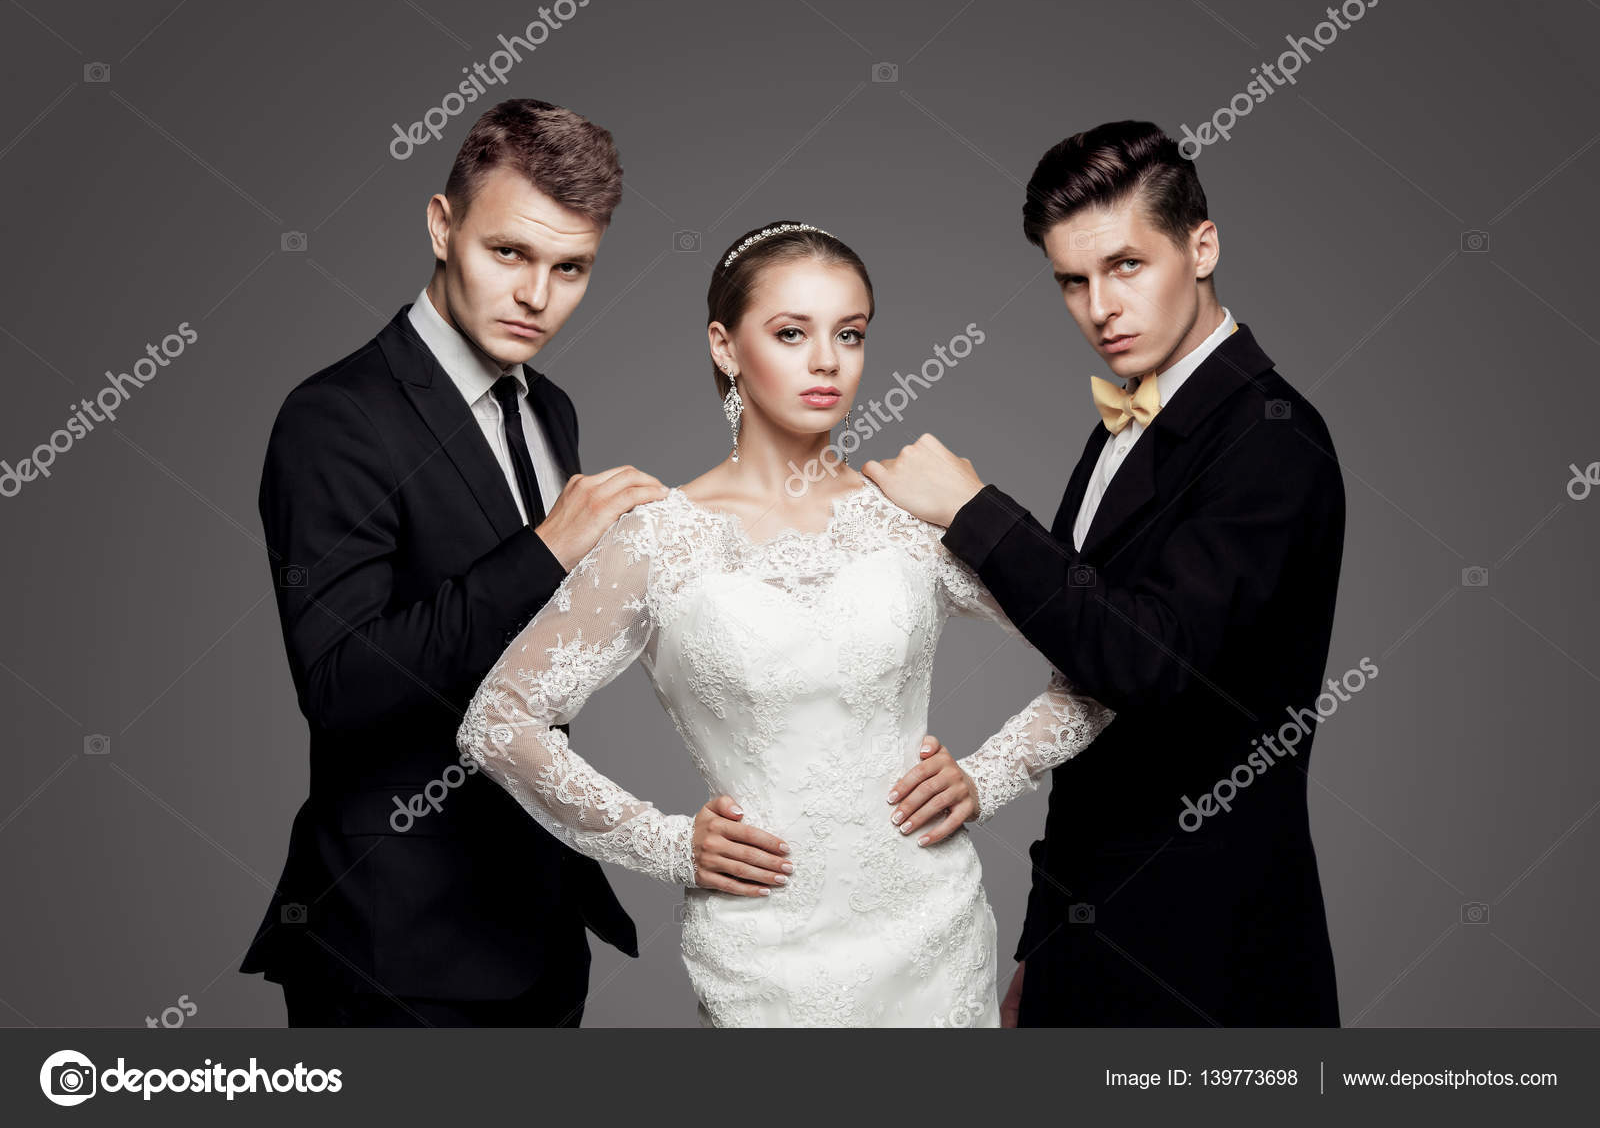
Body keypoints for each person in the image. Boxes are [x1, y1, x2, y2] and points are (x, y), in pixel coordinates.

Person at [454, 220, 1116, 1027]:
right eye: (792, 332)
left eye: (851, 333)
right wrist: (666, 842)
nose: (828, 360)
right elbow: (497, 720)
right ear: (726, 346)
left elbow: (1104, 657)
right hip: (763, 952)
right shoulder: (657, 536)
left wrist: (989, 774)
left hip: (932, 931)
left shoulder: (914, 513)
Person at [865, 120, 1345, 1027]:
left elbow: (1146, 661)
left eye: (1126, 266)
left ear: (1201, 246)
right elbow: (1083, 674)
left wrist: (973, 510)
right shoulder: (1126, 425)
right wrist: (1043, 953)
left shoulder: (1273, 439)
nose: (1100, 308)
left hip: (1210, 956)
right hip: (1091, 934)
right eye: (1072, 281)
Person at [243, 99, 671, 1026]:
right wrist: (549, 546)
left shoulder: (548, 408)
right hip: (395, 940)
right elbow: (341, 682)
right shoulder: (335, 417)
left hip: (543, 926)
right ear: (442, 227)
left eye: (571, 268)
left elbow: (532, 655)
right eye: (508, 253)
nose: (536, 295)